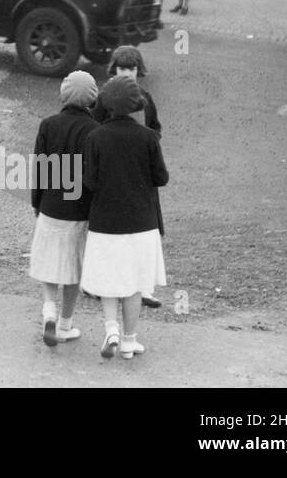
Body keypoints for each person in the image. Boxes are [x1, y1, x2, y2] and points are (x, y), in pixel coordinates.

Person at [81, 75, 169, 361]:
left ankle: (111, 330)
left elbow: (89, 182)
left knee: (109, 278)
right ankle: (130, 341)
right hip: (142, 223)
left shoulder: (94, 137)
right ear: (136, 105)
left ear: (106, 103)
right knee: (134, 285)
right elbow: (161, 177)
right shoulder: (148, 137)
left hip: (106, 221)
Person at [30, 71, 100, 346]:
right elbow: (95, 177)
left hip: (51, 205)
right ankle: (65, 325)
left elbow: (41, 168)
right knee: (73, 268)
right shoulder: (95, 131)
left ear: (63, 94)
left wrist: (38, 202)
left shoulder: (49, 125)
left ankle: (48, 309)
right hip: (80, 211)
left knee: (49, 262)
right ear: (92, 98)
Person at [90, 45, 164, 309]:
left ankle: (143, 288)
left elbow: (155, 127)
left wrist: (149, 143)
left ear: (138, 70)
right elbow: (93, 127)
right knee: (110, 234)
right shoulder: (105, 97)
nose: (127, 73)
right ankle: (102, 286)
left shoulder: (146, 97)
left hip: (140, 170)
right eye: (122, 68)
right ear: (114, 69)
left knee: (143, 233)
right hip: (113, 170)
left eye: (131, 69)